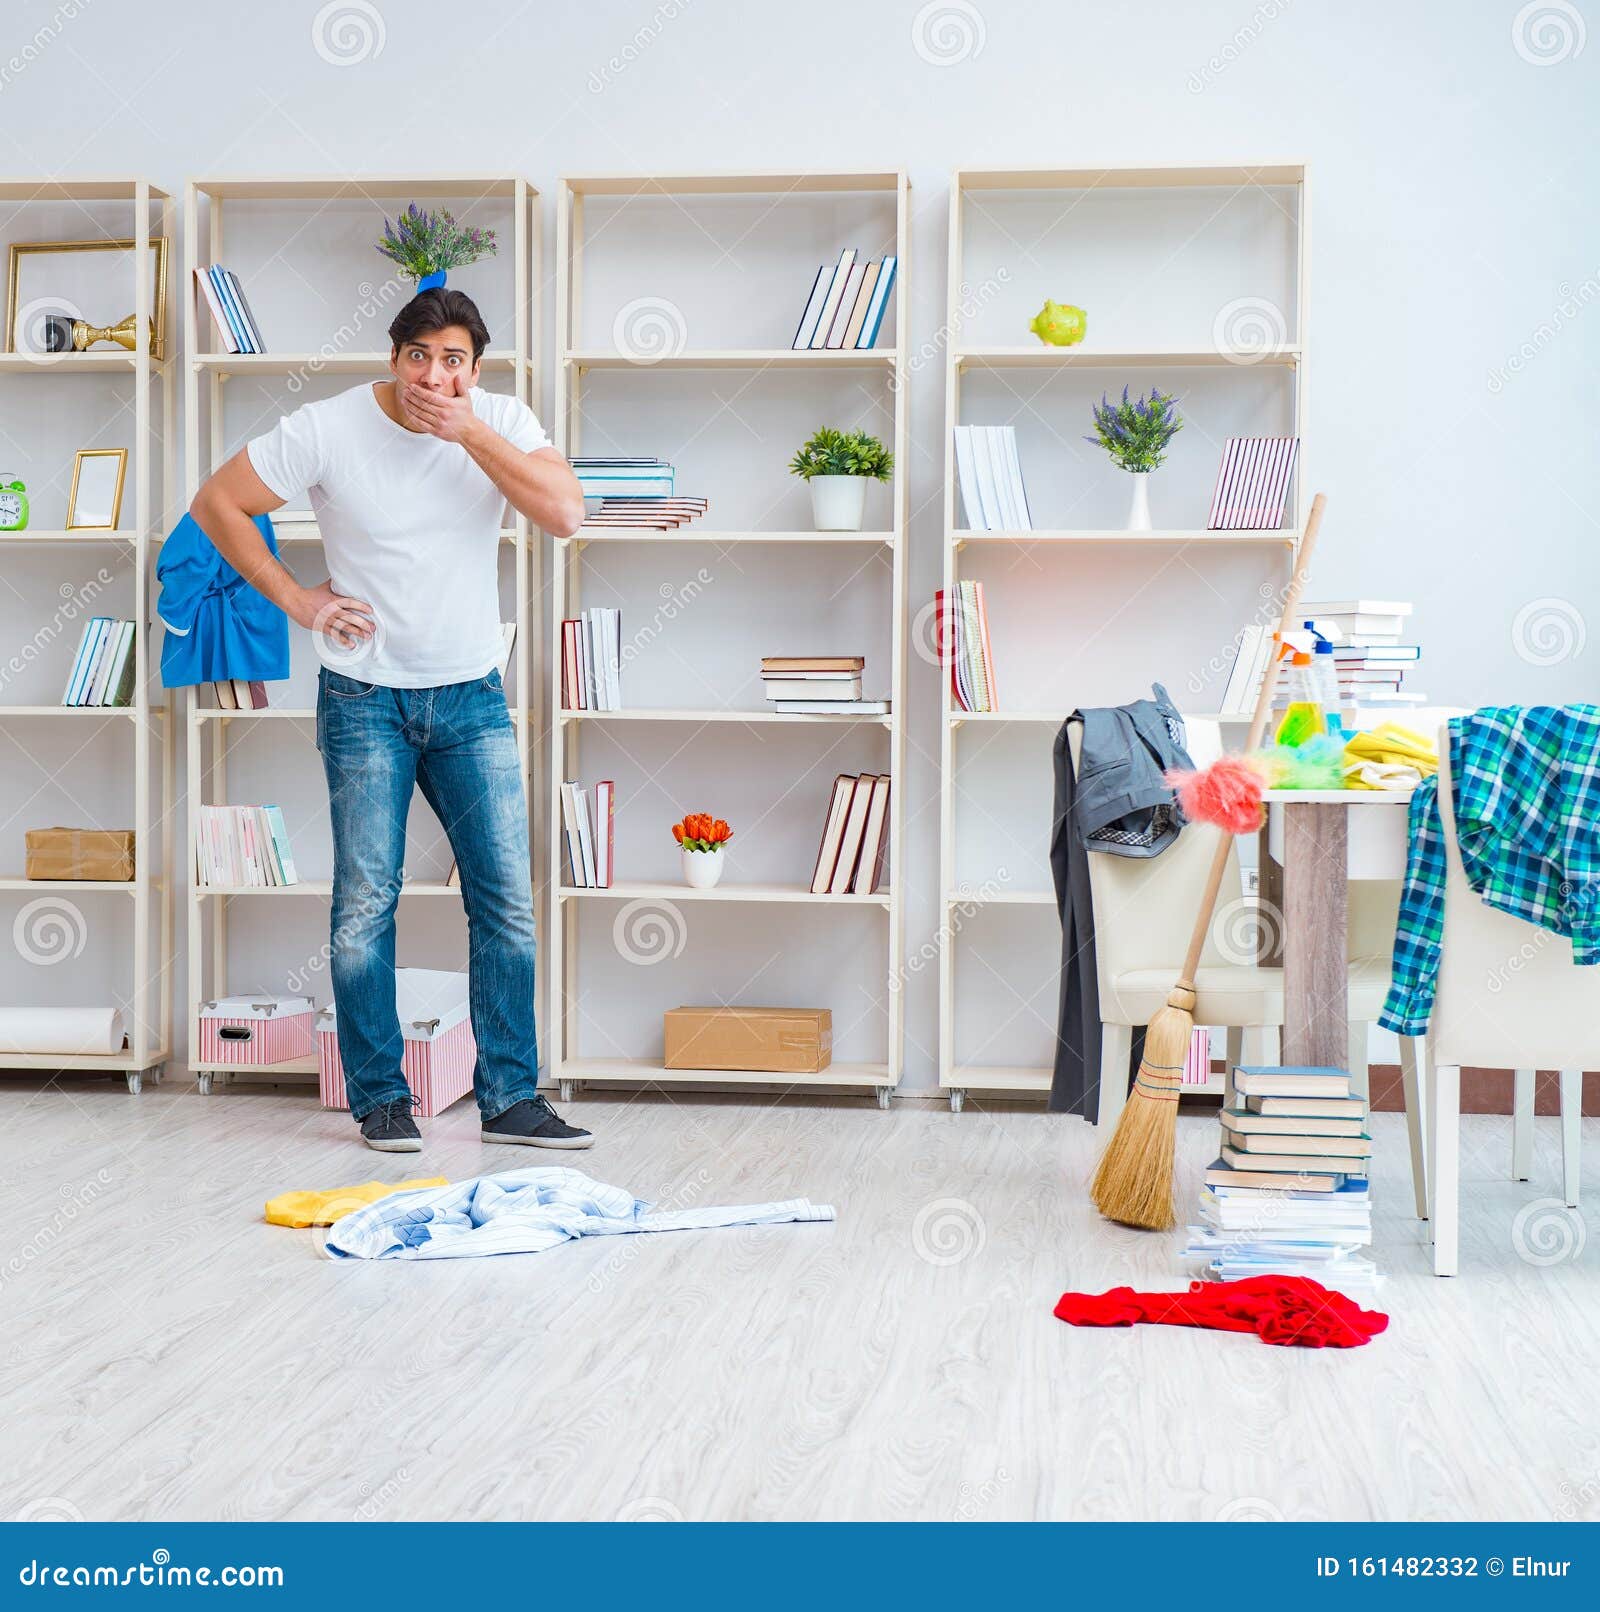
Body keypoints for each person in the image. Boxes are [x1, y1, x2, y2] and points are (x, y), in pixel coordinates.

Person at [191, 287, 591, 1155]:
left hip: (472, 697)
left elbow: (565, 512)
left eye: (453, 360)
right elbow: (217, 502)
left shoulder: (501, 419)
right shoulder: (329, 428)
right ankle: (380, 1096)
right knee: (364, 905)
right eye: (419, 356)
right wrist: (298, 599)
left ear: (474, 370)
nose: (434, 375)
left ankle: (511, 1098)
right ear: (394, 359)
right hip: (364, 698)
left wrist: (471, 432)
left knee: (506, 905)